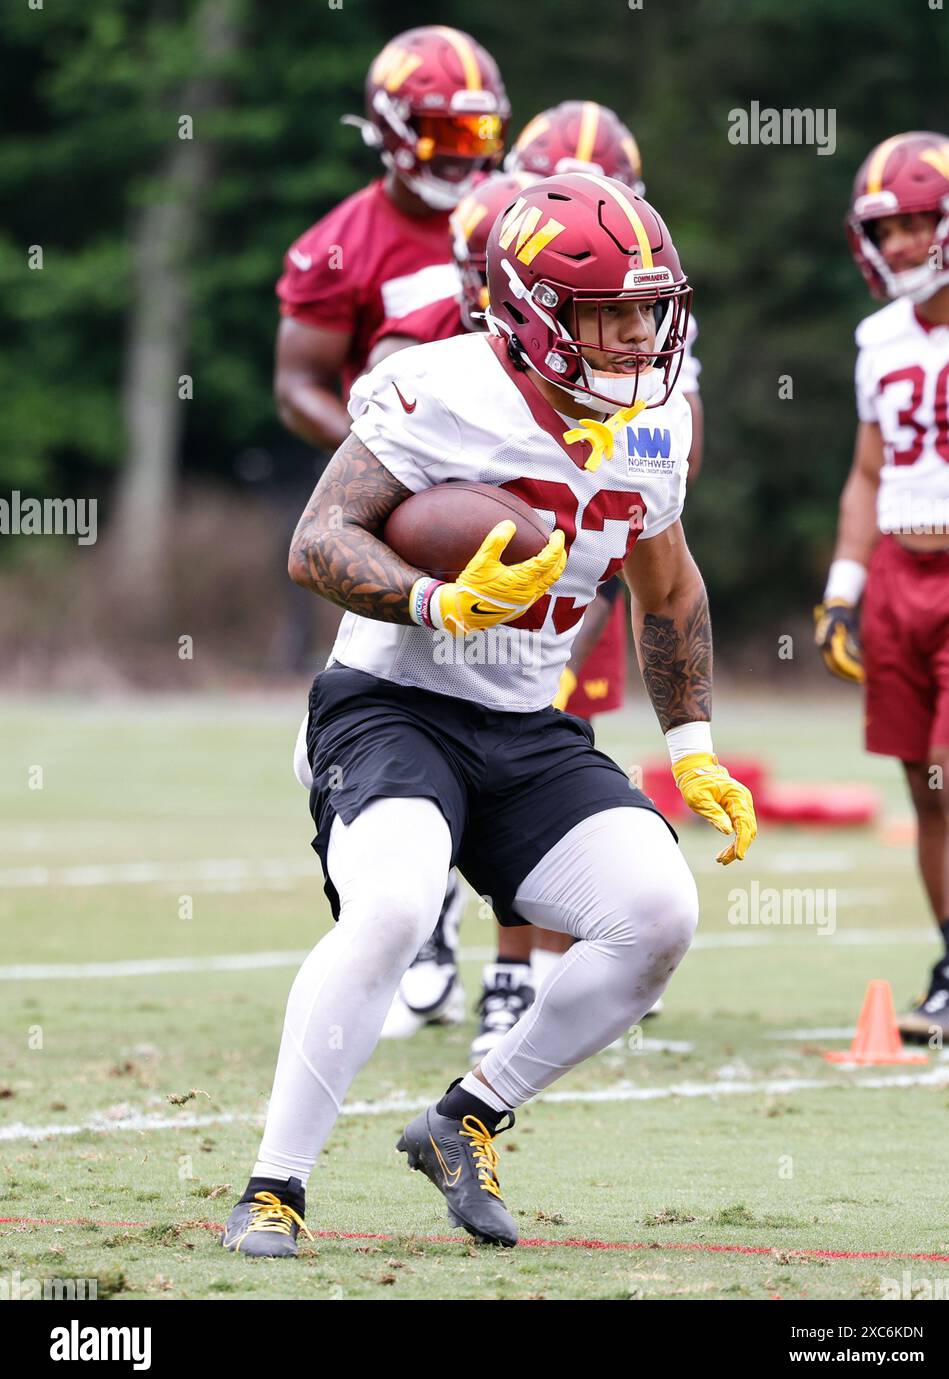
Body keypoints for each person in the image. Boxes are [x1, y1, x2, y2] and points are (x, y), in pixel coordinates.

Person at [221, 173, 756, 1254]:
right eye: (604, 310)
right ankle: (273, 1185)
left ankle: (464, 1117)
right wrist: (429, 597)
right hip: (390, 706)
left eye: (646, 309)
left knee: (656, 912)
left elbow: (668, 588)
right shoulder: (440, 387)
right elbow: (317, 540)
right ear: (530, 312)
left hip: (523, 720)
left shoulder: (651, 422)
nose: (632, 335)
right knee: (393, 904)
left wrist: (692, 747)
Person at [279, 25, 509, 1032]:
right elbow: (296, 383)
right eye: (442, 128)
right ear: (387, 131)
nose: (464, 150)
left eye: (479, 127)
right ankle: (407, 915)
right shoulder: (342, 240)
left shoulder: (516, 214)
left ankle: (515, 949)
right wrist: (393, 475)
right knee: (374, 701)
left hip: (514, 502)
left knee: (508, 715)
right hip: (406, 512)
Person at [469, 103, 706, 1056]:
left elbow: (671, 531)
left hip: (586, 568)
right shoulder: (467, 352)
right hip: (467, 582)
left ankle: (561, 966)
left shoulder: (646, 342)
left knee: (555, 749)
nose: (632, 329)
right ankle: (490, 966)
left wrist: (693, 743)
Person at [816, 131, 949, 1044]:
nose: (903, 245)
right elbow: (867, 473)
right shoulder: (876, 337)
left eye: (918, 223)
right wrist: (845, 588)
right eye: (889, 227)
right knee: (922, 784)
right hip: (900, 574)